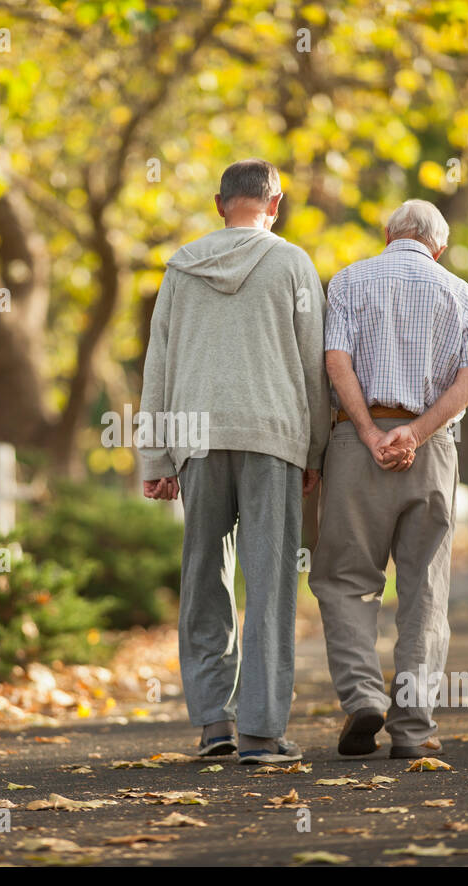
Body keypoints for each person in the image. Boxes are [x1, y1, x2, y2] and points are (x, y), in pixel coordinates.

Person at [137, 159, 328, 764]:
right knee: (270, 582)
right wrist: (316, 448)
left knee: (203, 577)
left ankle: (214, 721)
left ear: (220, 204)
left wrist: (156, 455)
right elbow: (313, 366)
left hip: (195, 438)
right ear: (276, 203)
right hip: (272, 435)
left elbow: (158, 367)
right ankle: (262, 732)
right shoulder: (293, 263)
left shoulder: (179, 268)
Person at [310, 199, 468, 759]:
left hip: (355, 449)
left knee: (345, 579)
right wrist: (415, 433)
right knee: (425, 591)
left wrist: (369, 433)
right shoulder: (461, 292)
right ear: (438, 247)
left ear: (388, 234)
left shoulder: (347, 281)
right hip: (432, 451)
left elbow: (335, 362)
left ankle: (363, 697)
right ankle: (413, 729)